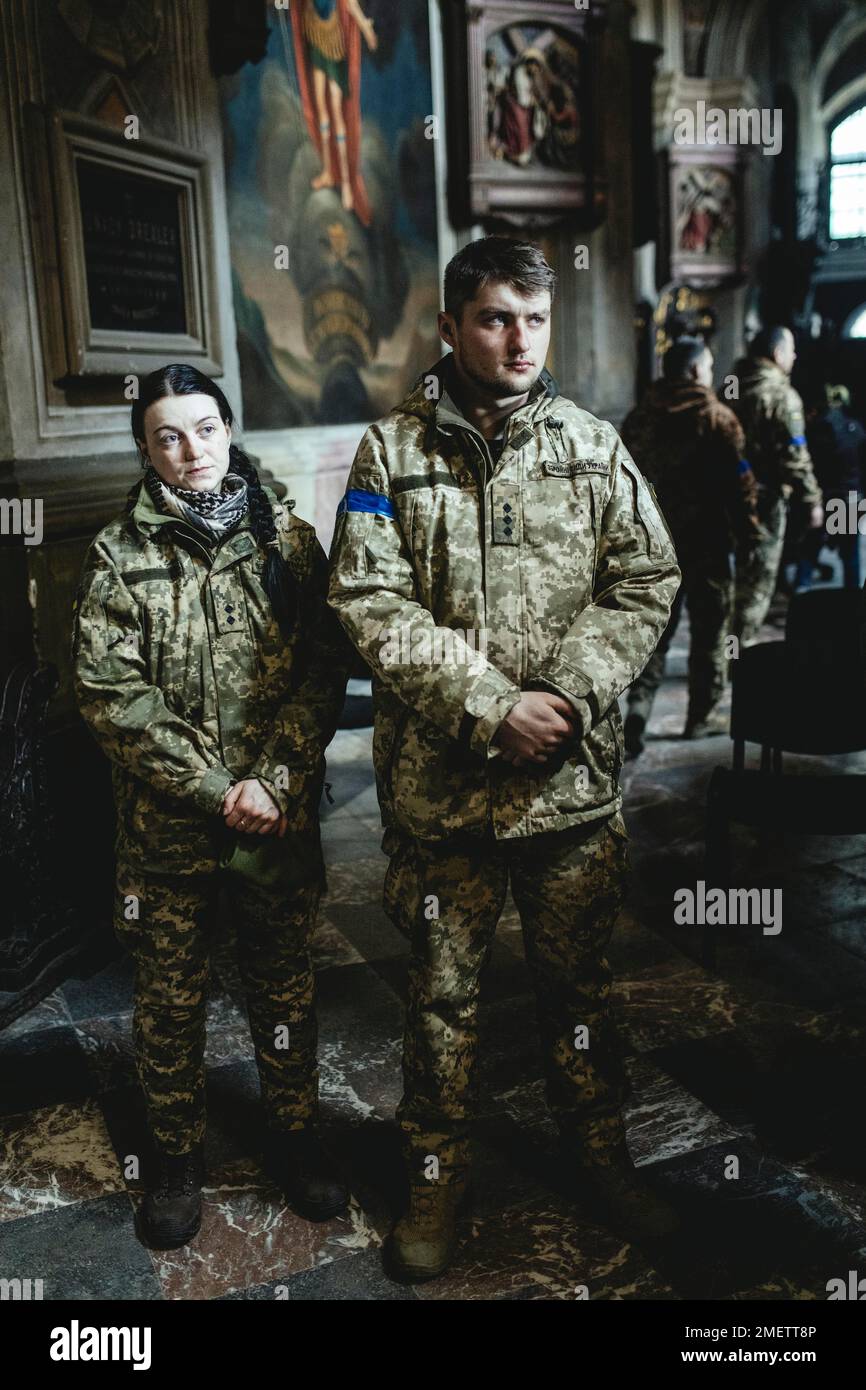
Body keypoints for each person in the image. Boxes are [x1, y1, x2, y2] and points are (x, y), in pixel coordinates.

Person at [328, 236, 681, 1281]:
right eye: (493, 317)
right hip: (445, 799)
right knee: (439, 1002)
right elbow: (366, 597)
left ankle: (602, 1155)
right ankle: (433, 1178)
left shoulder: (590, 446)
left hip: (567, 792)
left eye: (532, 317)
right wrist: (490, 706)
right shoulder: (390, 454)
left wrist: (561, 695)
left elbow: (644, 578)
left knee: (580, 998)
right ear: (450, 328)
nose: (517, 338)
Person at [72, 364, 352, 1249]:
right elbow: (111, 693)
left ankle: (295, 1134)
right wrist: (213, 789)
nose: (191, 452)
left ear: (229, 429)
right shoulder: (121, 554)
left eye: (205, 429)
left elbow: (321, 668)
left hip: (275, 816)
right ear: (147, 450)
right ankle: (175, 1159)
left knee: (283, 985)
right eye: (168, 436)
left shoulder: (288, 542)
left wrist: (274, 778)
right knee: (168, 1000)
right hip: (169, 832)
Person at [621, 336, 762, 752]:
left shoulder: (639, 418)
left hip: (655, 543)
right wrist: (750, 532)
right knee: (710, 631)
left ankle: (639, 710)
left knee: (656, 630)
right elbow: (741, 485)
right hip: (708, 541)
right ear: (697, 370)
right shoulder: (718, 418)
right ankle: (700, 718)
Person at [730, 326, 823, 642]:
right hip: (765, 499)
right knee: (757, 581)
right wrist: (812, 499)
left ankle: (724, 651)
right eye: (791, 349)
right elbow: (794, 455)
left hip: (725, 497)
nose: (794, 356)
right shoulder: (781, 395)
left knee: (730, 578)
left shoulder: (730, 387)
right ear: (776, 353)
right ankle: (740, 654)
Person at [795, 384, 866, 591]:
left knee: (809, 551)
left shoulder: (815, 430)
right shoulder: (856, 429)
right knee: (850, 557)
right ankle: (852, 607)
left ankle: (801, 597)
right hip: (850, 499)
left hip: (822, 498)